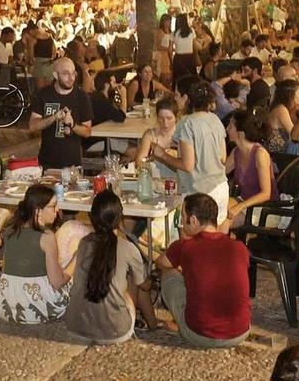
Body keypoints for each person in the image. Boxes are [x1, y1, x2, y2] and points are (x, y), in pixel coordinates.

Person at [154, 191, 251, 347]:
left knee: (169, 274)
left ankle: (180, 321)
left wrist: (181, 268)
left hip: (200, 335)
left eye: (183, 218)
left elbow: (161, 263)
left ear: (193, 220)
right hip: (241, 332)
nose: (182, 223)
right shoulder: (239, 247)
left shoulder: (185, 246)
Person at [64, 190, 158, 344]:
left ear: (91, 217)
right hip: (115, 331)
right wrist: (153, 281)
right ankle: (153, 325)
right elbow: (144, 285)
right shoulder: (128, 248)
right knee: (136, 280)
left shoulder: (84, 243)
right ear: (120, 218)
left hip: (76, 326)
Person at [0, 183, 77, 325]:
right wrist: (76, 259)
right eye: (53, 206)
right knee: (72, 279)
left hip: (6, 305)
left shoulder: (10, 230)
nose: (57, 210)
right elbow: (57, 282)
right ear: (38, 211)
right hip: (35, 308)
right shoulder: (46, 236)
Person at [156, 78, 230, 223]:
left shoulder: (187, 123)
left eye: (178, 95)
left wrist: (162, 154)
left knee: (189, 237)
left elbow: (187, 165)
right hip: (221, 188)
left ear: (188, 99)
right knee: (214, 240)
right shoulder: (215, 119)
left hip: (200, 194)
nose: (176, 99)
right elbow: (222, 157)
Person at [27, 56, 94, 172]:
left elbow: (87, 131)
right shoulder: (43, 94)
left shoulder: (81, 96)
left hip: (72, 164)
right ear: (55, 75)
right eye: (66, 74)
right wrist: (54, 117)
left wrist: (73, 125)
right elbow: (32, 125)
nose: (71, 78)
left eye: (73, 73)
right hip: (46, 163)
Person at [225, 110, 276, 231]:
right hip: (245, 201)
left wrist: (239, 206)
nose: (227, 129)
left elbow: (266, 194)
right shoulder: (236, 152)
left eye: (231, 126)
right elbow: (220, 173)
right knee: (216, 212)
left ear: (241, 133)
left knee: (226, 221)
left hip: (265, 207)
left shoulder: (260, 154)